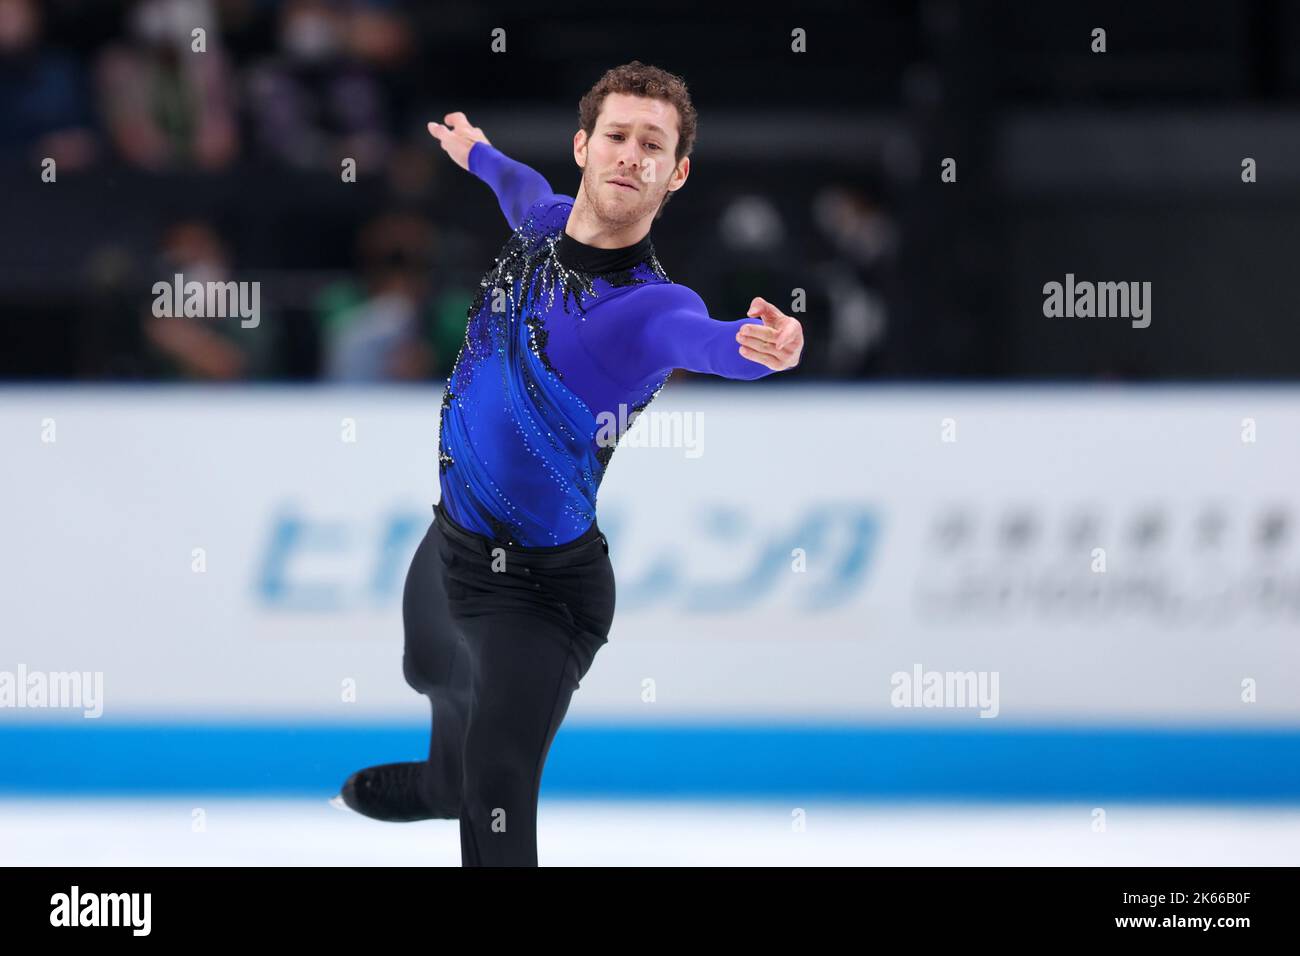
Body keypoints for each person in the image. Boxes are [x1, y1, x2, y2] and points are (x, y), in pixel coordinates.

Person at [338, 61, 803, 866]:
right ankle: (439, 780)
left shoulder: (653, 308)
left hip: (544, 591)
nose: (631, 154)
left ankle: (460, 786)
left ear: (676, 173)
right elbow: (517, 186)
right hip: (449, 546)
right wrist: (478, 152)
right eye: (617, 136)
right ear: (584, 147)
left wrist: (763, 349)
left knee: (498, 788)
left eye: (652, 145)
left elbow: (711, 342)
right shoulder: (541, 223)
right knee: (430, 673)